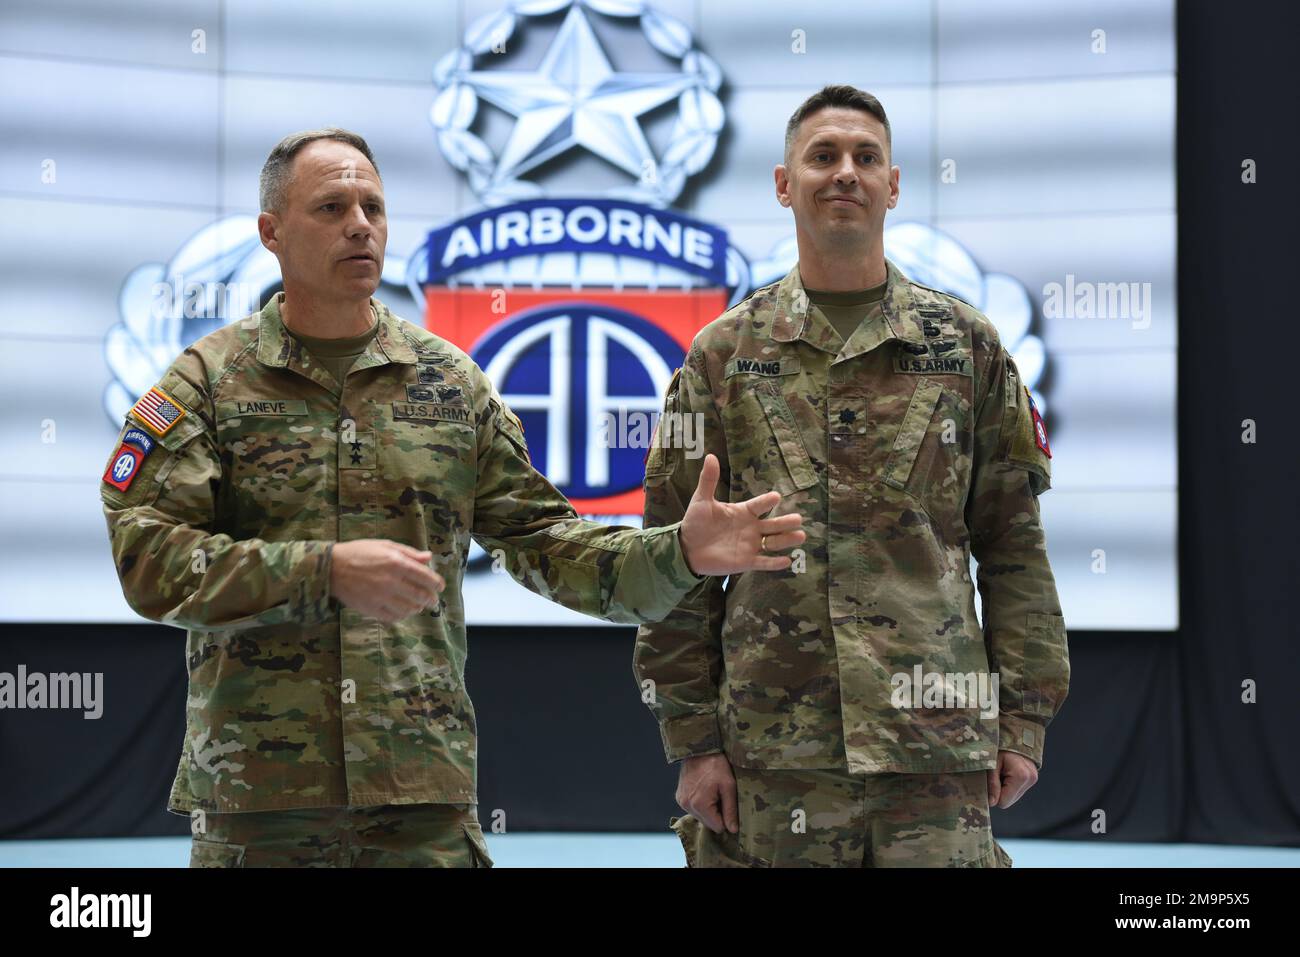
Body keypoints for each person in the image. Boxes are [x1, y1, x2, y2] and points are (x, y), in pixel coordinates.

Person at [99, 127, 804, 868]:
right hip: (262, 804)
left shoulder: (449, 384)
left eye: (372, 205)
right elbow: (149, 560)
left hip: (420, 802)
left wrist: (679, 553)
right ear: (271, 232)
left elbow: (547, 545)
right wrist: (322, 571)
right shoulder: (206, 384)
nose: (360, 224)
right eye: (331, 207)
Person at [634, 86, 1069, 867]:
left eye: (866, 158)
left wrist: (1024, 721)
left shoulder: (967, 346)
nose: (845, 174)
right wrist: (693, 740)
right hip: (773, 753)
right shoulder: (721, 355)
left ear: (893, 185)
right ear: (782, 183)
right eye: (823, 156)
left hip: (935, 745)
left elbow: (1014, 551)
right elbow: (673, 561)